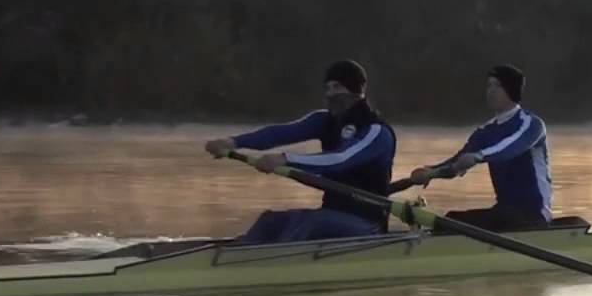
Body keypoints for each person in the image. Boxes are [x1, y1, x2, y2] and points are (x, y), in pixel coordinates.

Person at [204, 59, 397, 244]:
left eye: (337, 87)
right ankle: (241, 255)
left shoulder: (377, 131)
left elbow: (339, 159)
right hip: (331, 214)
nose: (331, 94)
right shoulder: (323, 121)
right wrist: (232, 142)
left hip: (367, 225)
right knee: (270, 220)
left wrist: (285, 159)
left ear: (358, 91)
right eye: (327, 88)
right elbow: (279, 134)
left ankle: (266, 266)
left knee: (307, 222)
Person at [406, 65, 551, 232]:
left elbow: (509, 148)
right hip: (505, 213)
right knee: (452, 219)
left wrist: (479, 156)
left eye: (497, 86)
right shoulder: (485, 131)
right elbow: (457, 162)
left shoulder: (532, 124)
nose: (491, 91)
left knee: (458, 222)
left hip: (534, 215)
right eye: (489, 86)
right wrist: (430, 172)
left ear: (511, 90)